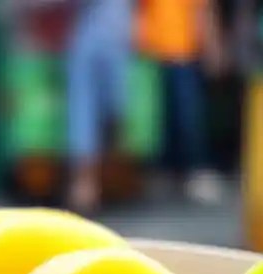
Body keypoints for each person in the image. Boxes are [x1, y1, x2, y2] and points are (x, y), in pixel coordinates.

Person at [136, 0, 225, 204]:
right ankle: (166, 171)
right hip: (152, 52)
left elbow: (204, 10)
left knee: (187, 115)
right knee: (157, 119)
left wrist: (213, 46)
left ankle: (194, 169)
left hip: (183, 51)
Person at [64, 0, 134, 213]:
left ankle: (91, 182)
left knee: (101, 111)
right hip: (105, 36)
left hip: (107, 37)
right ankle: (89, 182)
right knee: (92, 109)